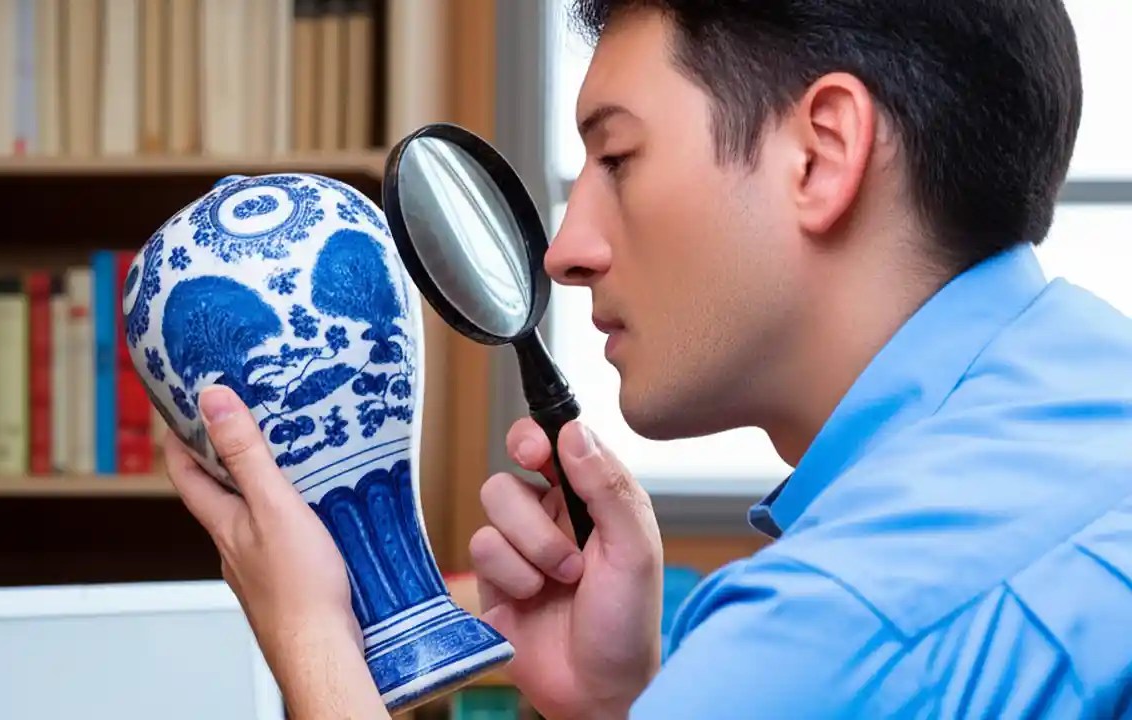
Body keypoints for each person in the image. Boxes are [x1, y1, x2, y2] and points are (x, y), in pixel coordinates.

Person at [163, 0, 1132, 717]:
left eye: (617, 159)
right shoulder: (1092, 381)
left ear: (820, 154)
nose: (564, 248)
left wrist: (311, 645)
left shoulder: (819, 638)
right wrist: (624, 701)